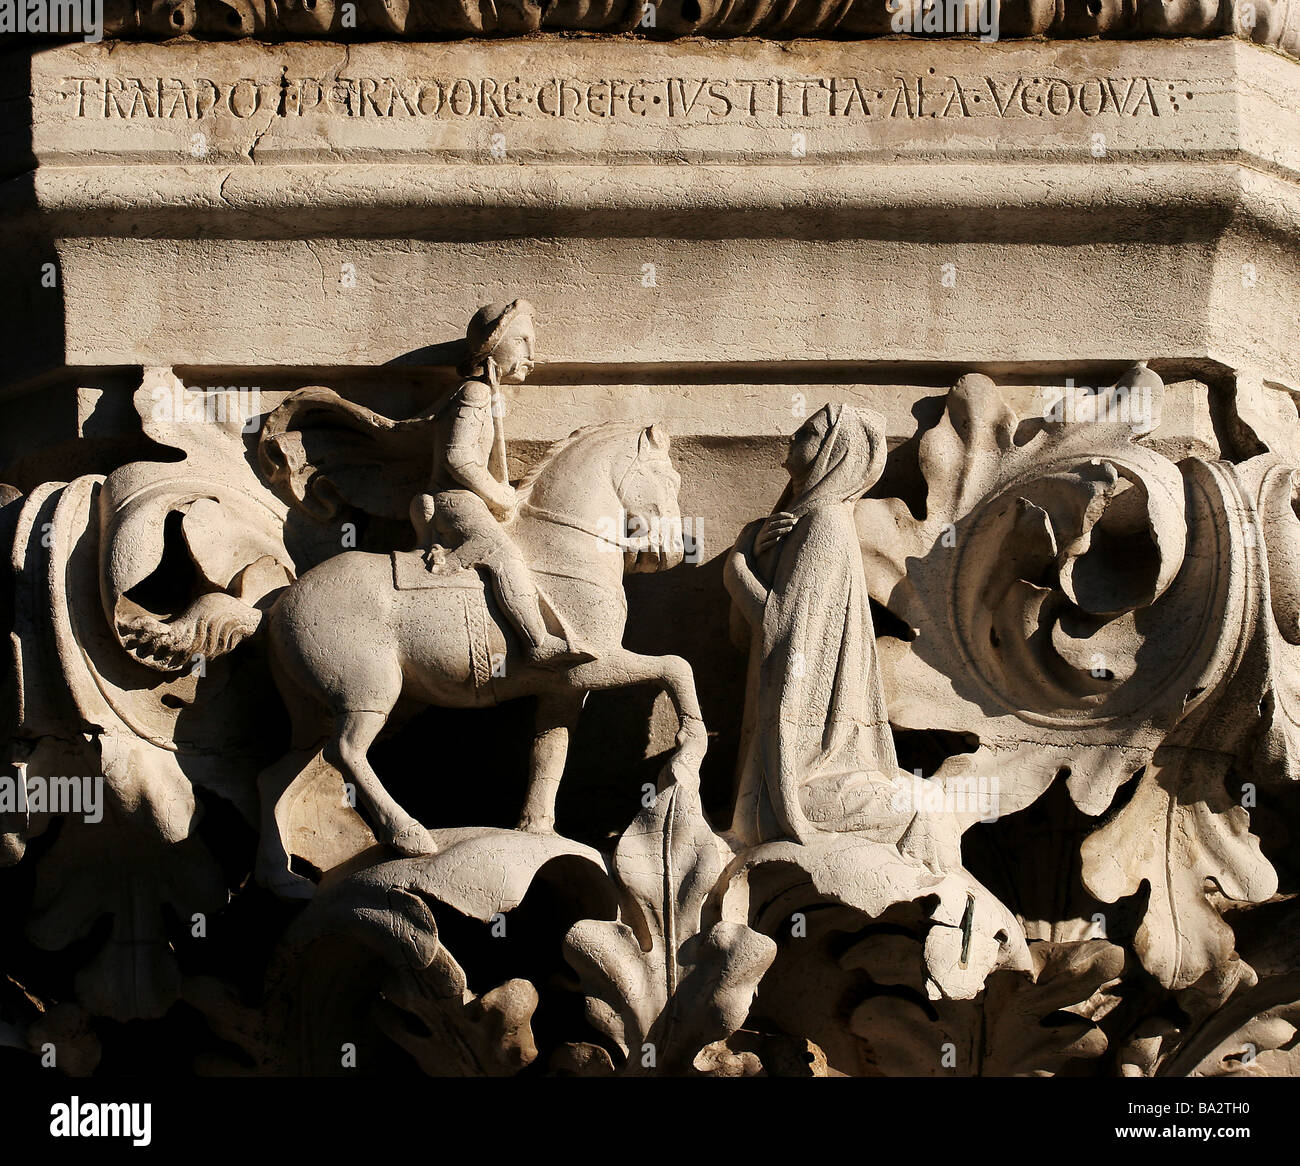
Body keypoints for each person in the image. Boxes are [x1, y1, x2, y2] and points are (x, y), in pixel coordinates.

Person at [724, 403, 948, 856]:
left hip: (803, 765)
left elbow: (777, 625)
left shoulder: (824, 523)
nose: (791, 441)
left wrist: (736, 565)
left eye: (804, 434)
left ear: (832, 451)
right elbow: (744, 637)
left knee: (907, 807)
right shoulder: (804, 522)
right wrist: (761, 556)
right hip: (779, 751)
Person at [410, 300, 586, 667]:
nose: (532, 355)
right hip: (454, 500)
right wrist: (498, 494)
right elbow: (457, 457)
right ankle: (538, 643)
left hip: (462, 499)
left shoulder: (486, 394)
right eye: (521, 342)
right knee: (503, 553)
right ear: (493, 346)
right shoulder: (473, 393)